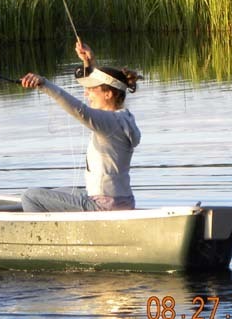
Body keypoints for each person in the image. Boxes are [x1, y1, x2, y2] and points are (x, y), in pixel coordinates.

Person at [19, 41, 142, 212]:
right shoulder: (124, 118)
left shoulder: (109, 122)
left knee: (30, 197)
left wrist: (44, 84)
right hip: (122, 201)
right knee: (66, 192)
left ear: (108, 94)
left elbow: (79, 111)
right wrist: (89, 63)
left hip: (104, 206)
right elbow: (99, 89)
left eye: (92, 89)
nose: (86, 93)